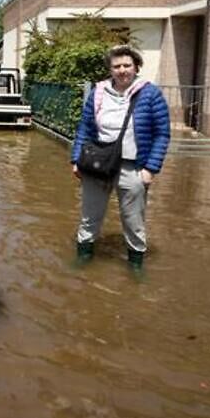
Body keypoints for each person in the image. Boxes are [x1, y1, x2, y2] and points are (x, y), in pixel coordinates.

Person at [71, 44, 171, 270]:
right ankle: (83, 258)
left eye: (127, 65)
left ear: (136, 67)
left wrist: (150, 169)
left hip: (133, 167)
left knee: (134, 222)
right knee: (89, 217)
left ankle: (135, 266)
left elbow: (162, 133)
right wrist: (76, 159)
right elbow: (84, 128)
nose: (122, 70)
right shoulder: (98, 92)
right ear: (110, 69)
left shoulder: (150, 94)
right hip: (97, 164)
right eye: (117, 66)